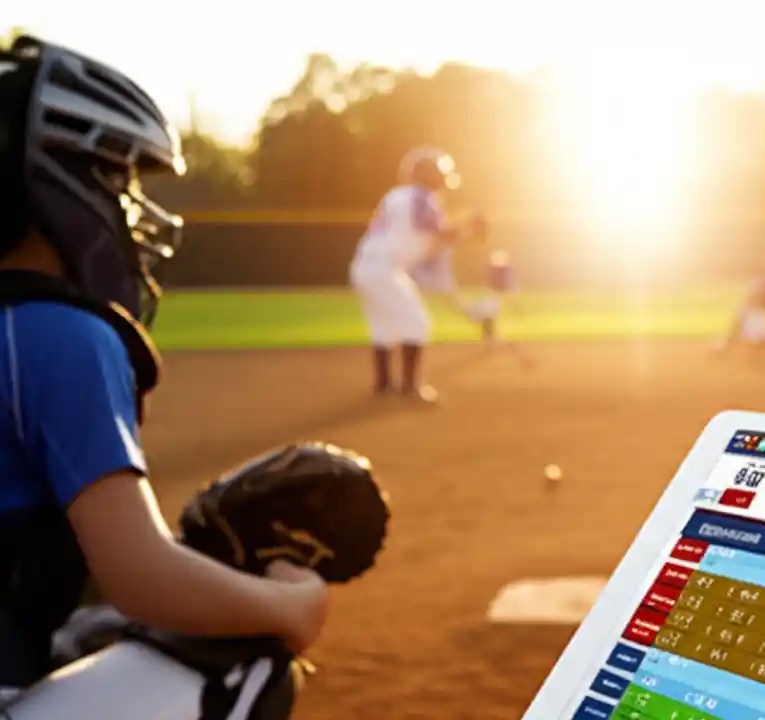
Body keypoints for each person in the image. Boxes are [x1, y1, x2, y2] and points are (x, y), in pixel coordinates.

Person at [0, 35, 328, 705]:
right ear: (58, 185)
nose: (129, 212)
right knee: (245, 658)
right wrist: (291, 605)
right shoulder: (59, 332)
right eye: (118, 184)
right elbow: (142, 579)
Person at [350, 147, 485, 403]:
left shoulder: (395, 195)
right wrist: (469, 227)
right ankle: (410, 387)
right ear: (431, 175)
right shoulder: (422, 197)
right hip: (384, 268)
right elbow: (438, 232)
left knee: (383, 326)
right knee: (417, 322)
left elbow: (424, 238)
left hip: (365, 266)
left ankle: (383, 384)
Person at [714, 252, 765, 354]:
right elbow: (754, 297)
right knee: (737, 332)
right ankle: (723, 348)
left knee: (760, 341)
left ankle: (733, 347)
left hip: (757, 312)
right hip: (752, 310)